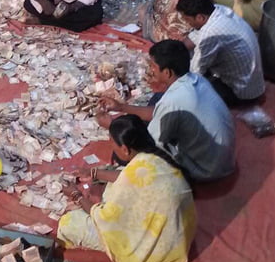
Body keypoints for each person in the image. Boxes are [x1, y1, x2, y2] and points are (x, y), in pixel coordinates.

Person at [57, 114, 196, 262]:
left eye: (112, 143)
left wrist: (76, 195)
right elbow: (126, 177)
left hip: (159, 247)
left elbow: (104, 217)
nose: (111, 146)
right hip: (178, 238)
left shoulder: (133, 176)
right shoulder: (156, 158)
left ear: (124, 149)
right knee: (118, 174)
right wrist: (93, 173)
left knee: (68, 223)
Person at [98, 40, 235, 182]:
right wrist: (121, 107)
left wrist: (112, 126)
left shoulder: (173, 101)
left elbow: (146, 144)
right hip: (225, 160)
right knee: (157, 98)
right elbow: (158, 111)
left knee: (124, 152)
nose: (151, 70)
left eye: (153, 66)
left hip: (205, 170)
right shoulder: (197, 79)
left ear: (167, 72)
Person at [176, 0, 265, 105]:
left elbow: (196, 72)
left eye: (187, 20)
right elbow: (196, 35)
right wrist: (177, 49)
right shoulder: (219, 10)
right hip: (254, 84)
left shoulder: (210, 33)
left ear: (200, 17)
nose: (187, 24)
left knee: (190, 90)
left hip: (242, 93)